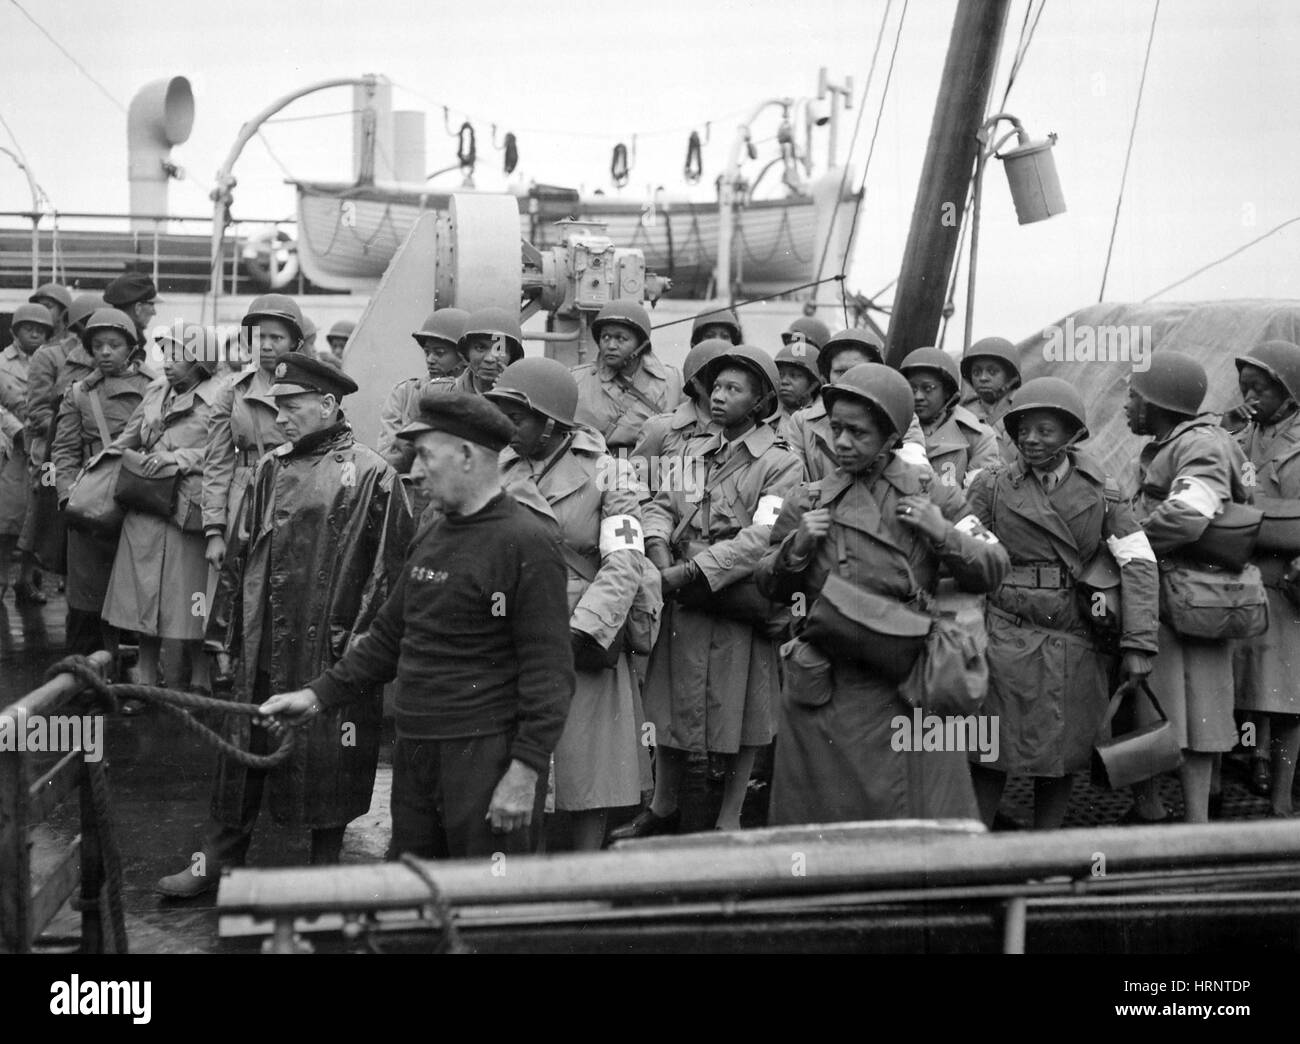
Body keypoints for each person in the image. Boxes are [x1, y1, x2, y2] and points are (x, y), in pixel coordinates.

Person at [259, 391, 574, 862]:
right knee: (413, 893)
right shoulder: (433, 531)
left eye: (426, 454)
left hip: (483, 756)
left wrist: (524, 773)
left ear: (467, 455)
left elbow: (549, 674)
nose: (417, 471)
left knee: (483, 911)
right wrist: (315, 695)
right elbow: (389, 635)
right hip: (416, 750)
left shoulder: (527, 542)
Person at [156, 354, 413, 897]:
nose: (282, 419)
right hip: (263, 636)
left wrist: (359, 651)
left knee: (330, 760)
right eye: (278, 408)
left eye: (292, 408)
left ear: (328, 405)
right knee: (241, 753)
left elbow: (389, 576)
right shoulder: (271, 466)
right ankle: (215, 861)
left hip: (330, 643)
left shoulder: (373, 474)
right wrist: (221, 634)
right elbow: (240, 554)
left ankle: (323, 869)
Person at [755, 363, 1009, 824]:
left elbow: (994, 568)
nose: (844, 443)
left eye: (859, 433)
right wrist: (797, 548)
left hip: (904, 677)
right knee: (824, 821)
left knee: (916, 818)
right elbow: (767, 585)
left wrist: (942, 534)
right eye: (836, 430)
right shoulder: (808, 501)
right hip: (830, 682)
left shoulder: (935, 496)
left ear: (892, 437)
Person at [611, 345, 802, 838]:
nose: (719, 397)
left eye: (734, 389)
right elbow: (661, 504)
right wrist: (657, 550)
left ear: (760, 402)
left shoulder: (781, 464)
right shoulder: (692, 450)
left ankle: (729, 818)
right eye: (716, 387)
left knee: (744, 712)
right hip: (682, 589)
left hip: (735, 596)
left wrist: (691, 573)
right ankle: (664, 804)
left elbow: (763, 536)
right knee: (670, 706)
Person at [966, 377, 1158, 829]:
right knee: (988, 750)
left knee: (1062, 752)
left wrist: (1139, 643)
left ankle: (1046, 850)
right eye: (1023, 430)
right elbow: (962, 553)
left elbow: (1138, 562)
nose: (1031, 440)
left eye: (1046, 430)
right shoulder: (992, 485)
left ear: (1071, 435)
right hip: (1003, 632)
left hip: (1074, 636)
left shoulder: (1103, 491)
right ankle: (971, 851)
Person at [486, 358, 652, 850]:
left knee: (588, 768)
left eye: (517, 416)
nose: (506, 426)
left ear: (551, 423)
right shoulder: (497, 467)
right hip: (510, 627)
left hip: (582, 631)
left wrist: (584, 629)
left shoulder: (610, 473)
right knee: (516, 762)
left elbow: (625, 557)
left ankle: (584, 874)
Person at [1125, 351, 1250, 824]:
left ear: (1158, 401)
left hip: (1194, 599)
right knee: (1164, 710)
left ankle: (1196, 826)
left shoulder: (1201, 445)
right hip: (1172, 596)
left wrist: (1131, 542)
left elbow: (1190, 513)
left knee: (1198, 716)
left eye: (1133, 395)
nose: (1126, 406)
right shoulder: (1176, 442)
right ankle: (1154, 812)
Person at [101, 323, 222, 695]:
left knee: (192, 600)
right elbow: (128, 439)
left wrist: (178, 458)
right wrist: (99, 468)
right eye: (166, 354)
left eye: (179, 355)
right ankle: (145, 679)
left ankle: (201, 680)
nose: (169, 363)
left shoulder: (221, 397)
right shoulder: (155, 391)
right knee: (142, 597)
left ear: (201, 360)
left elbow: (225, 452)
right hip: (146, 507)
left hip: (188, 510)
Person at [52, 309, 153, 659]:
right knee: (86, 600)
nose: (105, 352)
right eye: (98, 346)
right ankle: (85, 684)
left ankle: (133, 683)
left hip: (140, 499)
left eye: (114, 344)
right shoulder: (79, 393)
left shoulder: (154, 390)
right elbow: (64, 450)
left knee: (137, 597)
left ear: (131, 348)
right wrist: (68, 496)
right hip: (91, 504)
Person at [1232, 340, 1300, 817]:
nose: (1251, 396)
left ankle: (1280, 797)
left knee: (1288, 704)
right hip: (1241, 579)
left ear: (1289, 392)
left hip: (1287, 587)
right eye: (1246, 387)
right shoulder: (1236, 438)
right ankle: (1244, 769)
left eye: (1262, 388)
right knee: (1241, 692)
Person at [202, 294, 304, 574]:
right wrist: (214, 531)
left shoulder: (311, 391)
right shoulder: (232, 390)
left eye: (277, 338)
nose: (267, 345)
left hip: (296, 495)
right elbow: (217, 462)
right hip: (244, 501)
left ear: (295, 342)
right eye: (259, 337)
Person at [20, 293, 101, 589]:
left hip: (87, 450)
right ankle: (27, 576)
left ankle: (67, 577)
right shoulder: (50, 356)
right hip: (50, 449)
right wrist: (66, 423)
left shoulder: (103, 356)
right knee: (42, 511)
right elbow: (37, 409)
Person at [785, 328, 929, 481]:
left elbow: (916, 475)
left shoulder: (900, 416)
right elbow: (792, 481)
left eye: (858, 370)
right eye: (840, 371)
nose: (849, 377)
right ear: (827, 376)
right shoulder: (802, 422)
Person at [573, 301, 683, 453]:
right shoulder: (577, 380)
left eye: (621, 338)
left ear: (641, 345)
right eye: (605, 337)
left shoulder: (672, 380)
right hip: (596, 467)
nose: (611, 345)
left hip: (650, 468)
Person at [0, 303, 52, 602]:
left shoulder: (51, 362)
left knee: (40, 516)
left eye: (40, 329)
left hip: (44, 451)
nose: (34, 332)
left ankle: (27, 579)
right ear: (14, 331)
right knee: (7, 521)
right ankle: (2, 579)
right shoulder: (1, 362)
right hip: (14, 454)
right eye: (27, 327)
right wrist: (15, 429)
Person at [376, 307, 471, 471]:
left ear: (463, 357)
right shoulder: (404, 393)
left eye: (439, 353)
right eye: (427, 352)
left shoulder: (474, 393)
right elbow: (389, 453)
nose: (430, 359)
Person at [629, 337, 725, 496]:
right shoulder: (661, 429)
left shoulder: (746, 431)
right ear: (695, 383)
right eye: (715, 383)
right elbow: (634, 485)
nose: (721, 392)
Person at [900, 346, 1001, 489]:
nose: (918, 397)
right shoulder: (894, 427)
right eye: (912, 389)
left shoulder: (978, 435)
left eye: (928, 388)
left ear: (947, 391)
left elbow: (979, 496)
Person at [960, 336, 1021, 462]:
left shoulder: (1021, 408)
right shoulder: (962, 413)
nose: (983, 378)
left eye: (992, 372)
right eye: (976, 372)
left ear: (1010, 377)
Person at [443, 306, 524, 397]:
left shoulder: (526, 404)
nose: (490, 359)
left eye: (499, 349)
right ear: (467, 353)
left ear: (512, 358)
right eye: (480, 348)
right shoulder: (441, 393)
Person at [773, 340, 821, 438]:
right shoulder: (766, 418)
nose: (784, 381)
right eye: (780, 375)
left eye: (794, 375)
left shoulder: (822, 420)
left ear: (813, 383)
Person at [102, 273, 159, 346]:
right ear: (137, 308)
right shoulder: (131, 341)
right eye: (152, 305)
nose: (154, 312)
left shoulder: (103, 335)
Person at [28, 283, 74, 349]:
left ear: (63, 312)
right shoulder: (27, 342)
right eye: (38, 306)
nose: (41, 310)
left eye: (48, 306)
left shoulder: (75, 344)